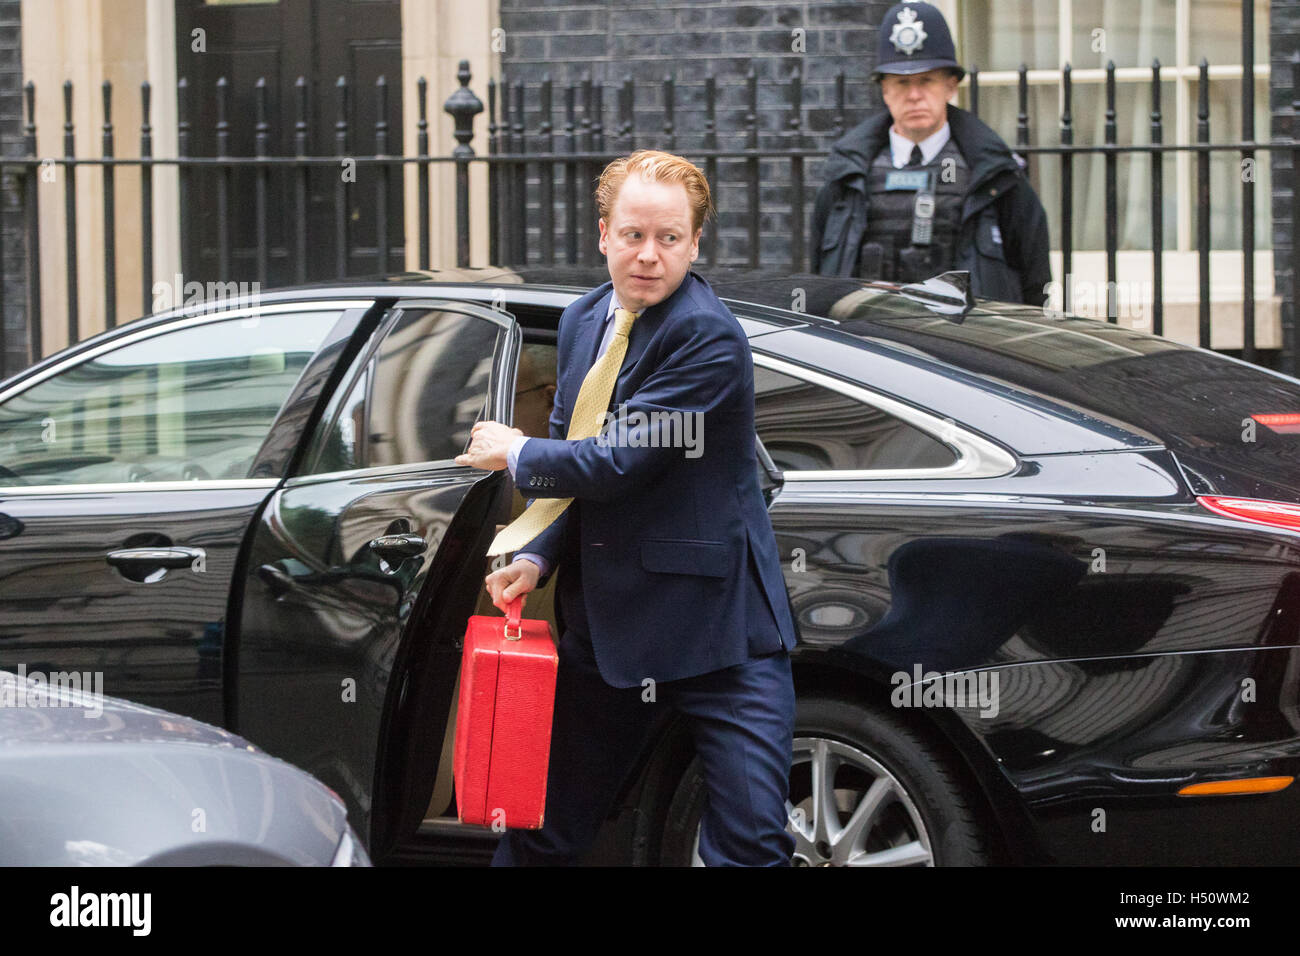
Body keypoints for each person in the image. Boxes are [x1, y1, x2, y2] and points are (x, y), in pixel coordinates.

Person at [454, 149, 799, 866]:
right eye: (634, 235)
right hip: (607, 631)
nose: (649, 255)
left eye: (669, 238)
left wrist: (515, 452)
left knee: (752, 842)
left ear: (694, 246)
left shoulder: (706, 335)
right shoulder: (584, 319)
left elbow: (617, 460)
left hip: (717, 634)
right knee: (542, 828)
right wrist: (536, 554)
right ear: (604, 235)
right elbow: (574, 448)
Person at [810, 0, 1051, 306]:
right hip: (868, 330)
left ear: (950, 86)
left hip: (967, 332)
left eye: (926, 81)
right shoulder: (847, 176)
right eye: (902, 82)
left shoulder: (996, 176)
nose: (914, 95)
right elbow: (821, 274)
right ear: (885, 90)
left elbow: (1034, 280)